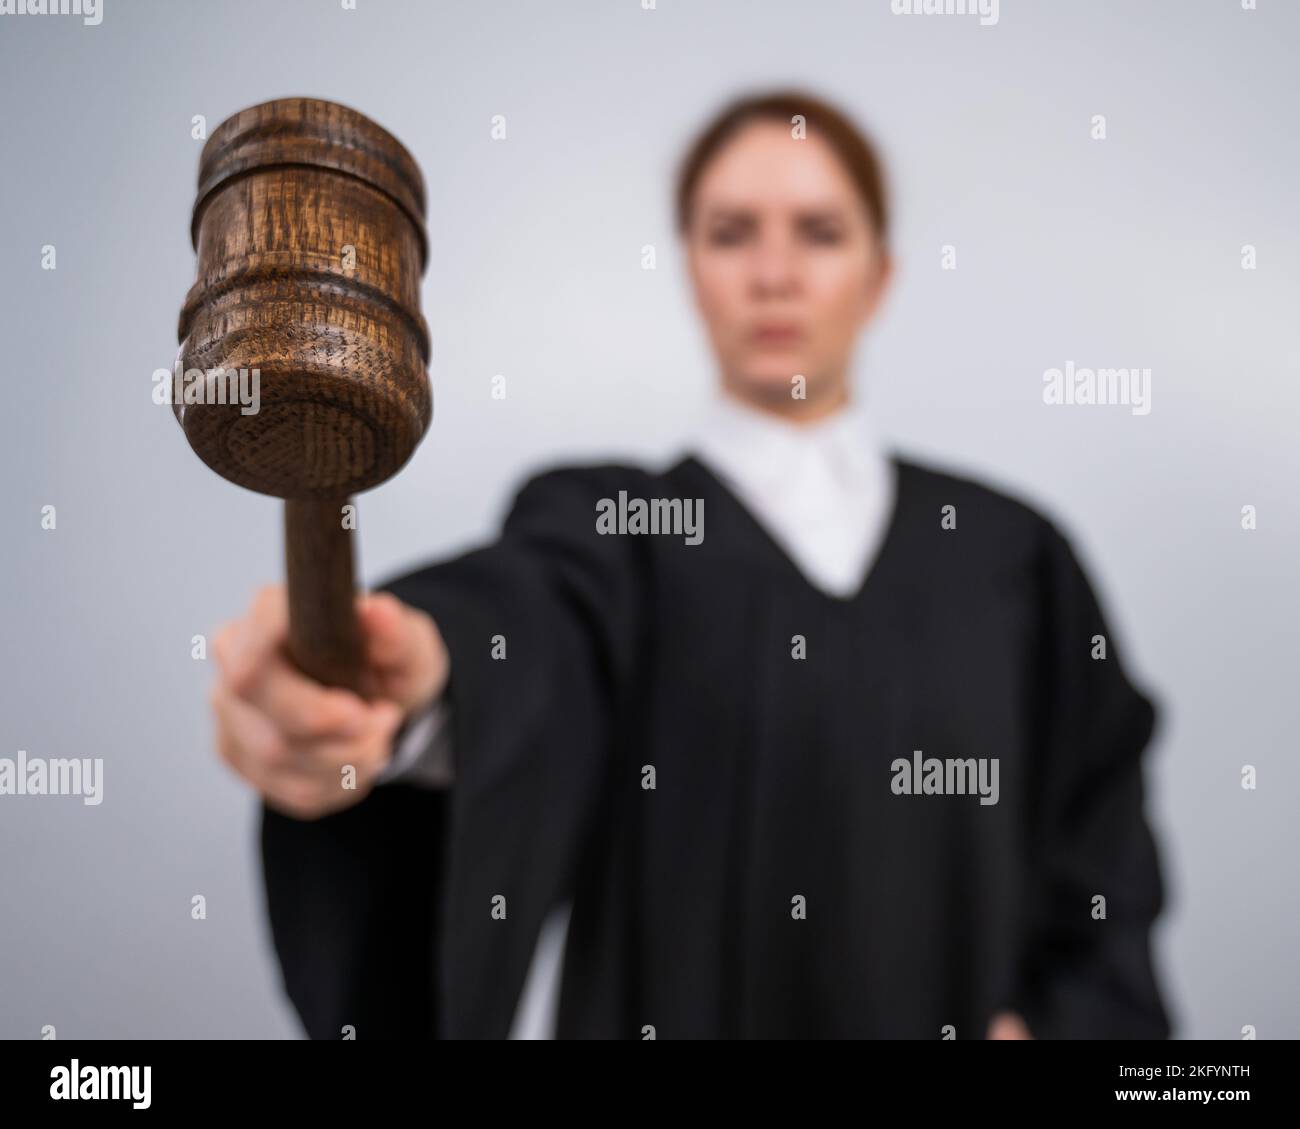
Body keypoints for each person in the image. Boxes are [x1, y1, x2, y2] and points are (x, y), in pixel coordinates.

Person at [209, 89, 1172, 1040]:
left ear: (880, 276)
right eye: (731, 232)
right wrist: (410, 685)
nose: (774, 272)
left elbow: (1102, 861)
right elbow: (524, 637)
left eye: (821, 232)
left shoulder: (1012, 557)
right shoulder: (614, 529)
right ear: (690, 270)